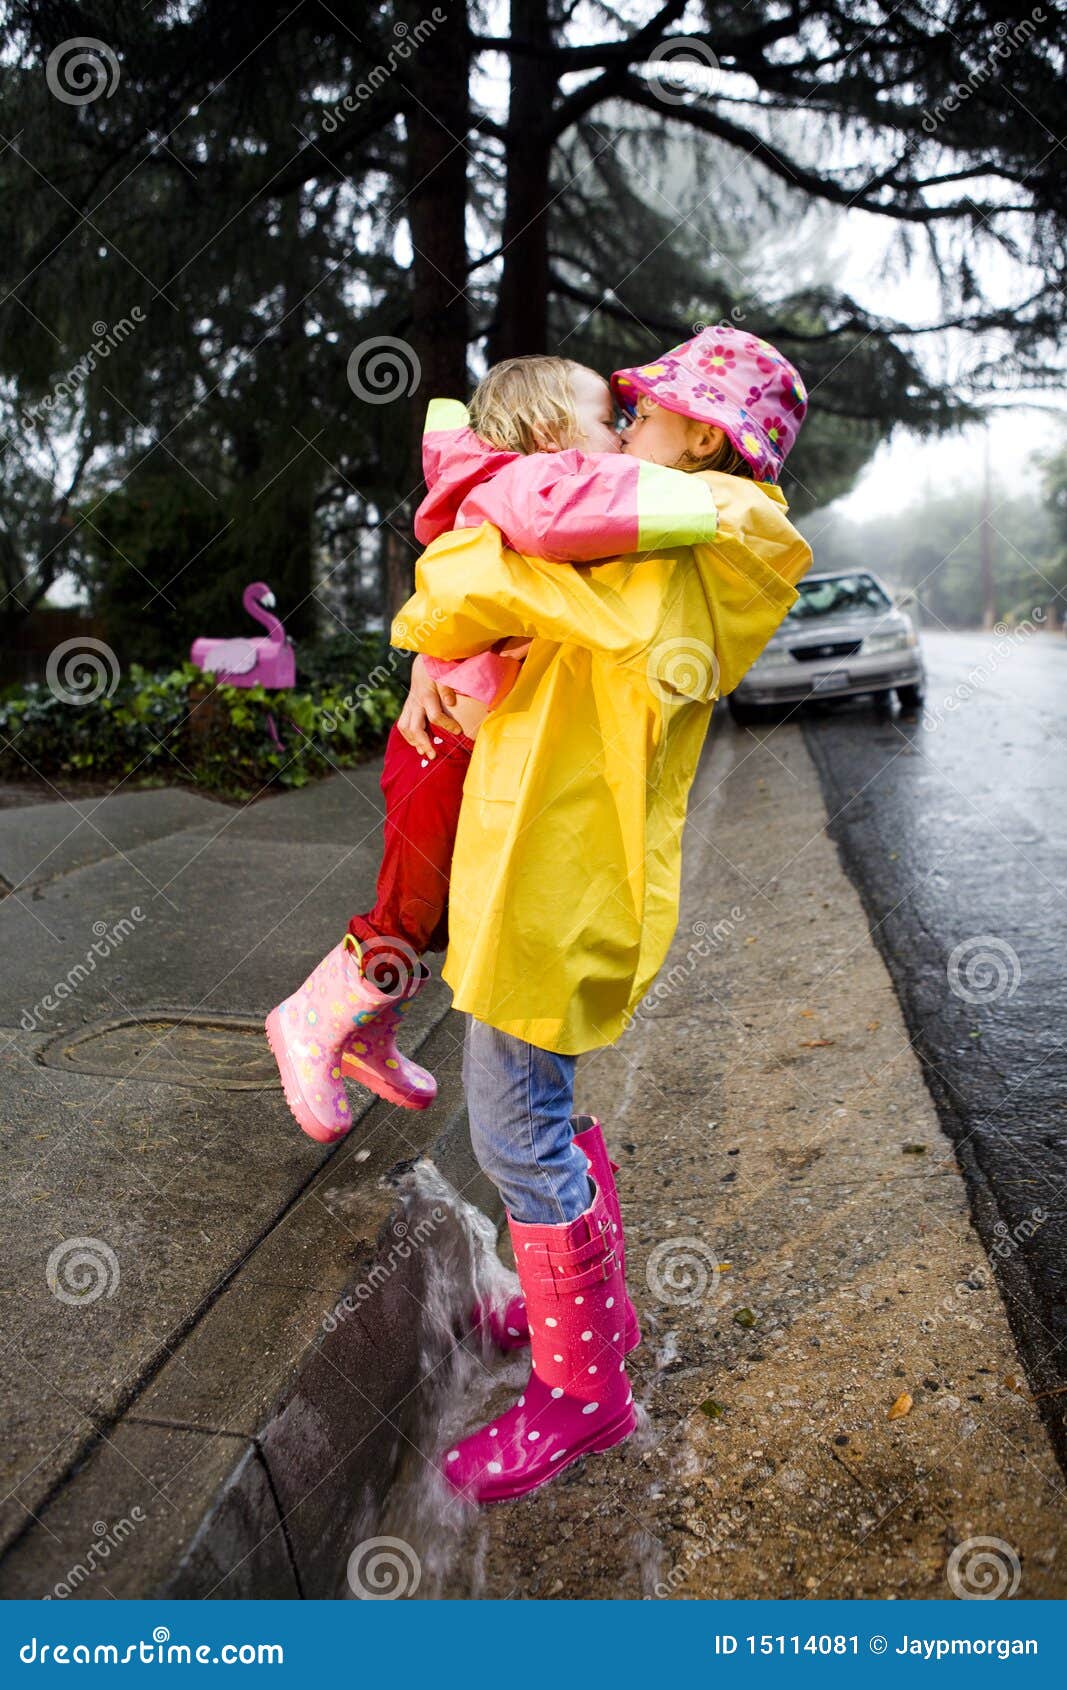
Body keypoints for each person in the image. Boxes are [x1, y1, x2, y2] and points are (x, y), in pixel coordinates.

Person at [390, 326, 813, 1502]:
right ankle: (574, 1312)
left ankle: (583, 1396)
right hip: (536, 876)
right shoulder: (659, 537)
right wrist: (452, 641)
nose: (621, 427)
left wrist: (442, 611)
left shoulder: (709, 538)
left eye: (646, 411)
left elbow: (497, 571)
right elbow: (521, 598)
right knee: (535, 1118)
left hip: (565, 892)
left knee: (512, 1133)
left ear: (705, 436)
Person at [264, 355, 726, 1141]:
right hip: (439, 737)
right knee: (408, 910)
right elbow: (541, 548)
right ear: (550, 432)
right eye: (606, 418)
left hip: (464, 730)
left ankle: (370, 1032)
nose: (617, 434)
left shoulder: (533, 483)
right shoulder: (532, 486)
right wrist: (699, 503)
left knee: (441, 909)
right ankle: (309, 1019)